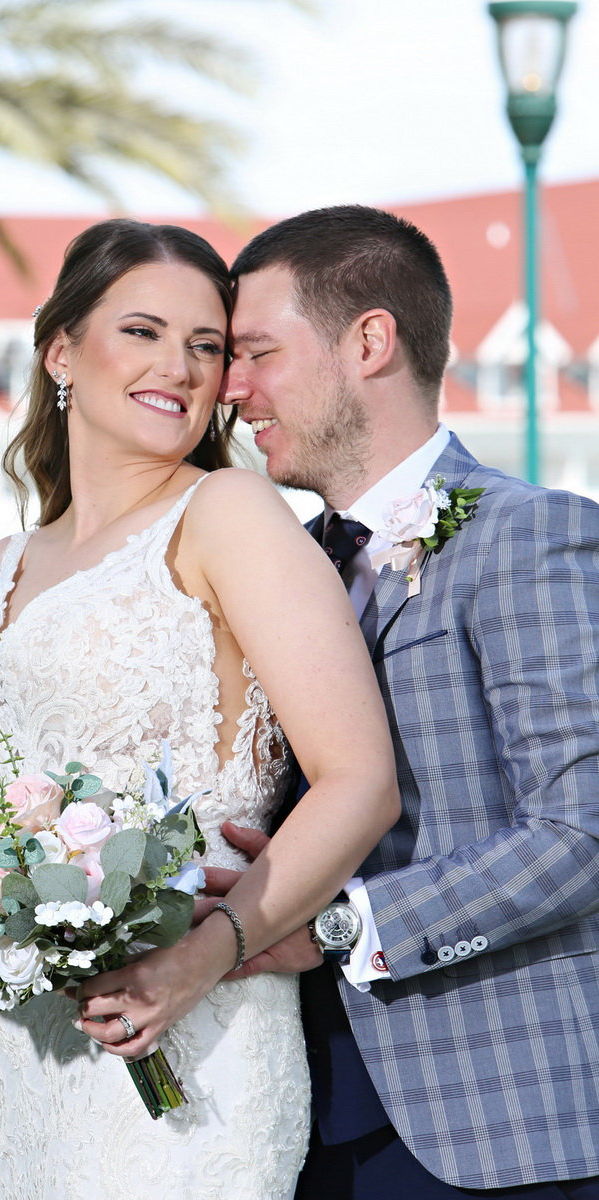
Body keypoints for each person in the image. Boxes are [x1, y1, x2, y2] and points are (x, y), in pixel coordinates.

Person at [0, 219, 400, 1197]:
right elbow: (1, 818)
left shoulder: (227, 516)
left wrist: (201, 957)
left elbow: (361, 783)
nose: (180, 368)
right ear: (62, 349)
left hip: (194, 1041)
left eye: (207, 346)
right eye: (143, 332)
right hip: (20, 1060)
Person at [208, 204, 599, 1197]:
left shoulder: (528, 536)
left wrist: (339, 924)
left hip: (497, 1124)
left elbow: (581, 829)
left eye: (257, 352)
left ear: (370, 341)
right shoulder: (278, 567)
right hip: (290, 1117)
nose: (231, 388)